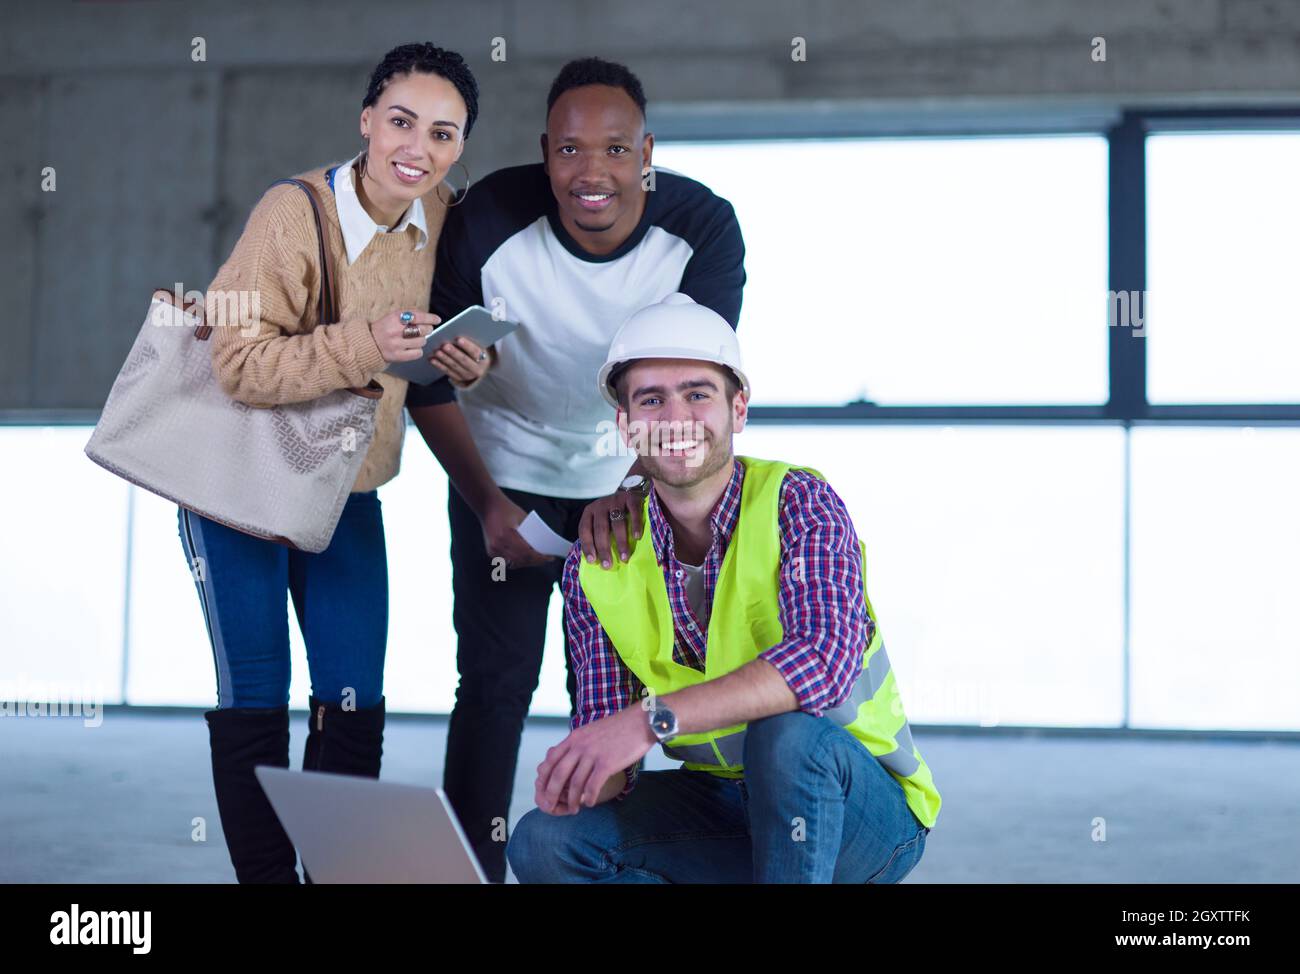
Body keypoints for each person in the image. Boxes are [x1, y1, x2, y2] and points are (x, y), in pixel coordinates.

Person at [404, 57, 747, 883]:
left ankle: (597, 858)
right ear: (545, 153)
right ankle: (469, 870)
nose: (591, 173)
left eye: (616, 150)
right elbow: (425, 379)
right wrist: (487, 504)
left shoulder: (702, 229)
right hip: (501, 469)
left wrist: (631, 491)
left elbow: (687, 391)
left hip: (626, 477)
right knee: (492, 682)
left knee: (615, 690)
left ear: (648, 153)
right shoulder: (488, 218)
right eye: (568, 151)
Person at [177, 43, 489, 883]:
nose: (416, 148)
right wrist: (367, 344)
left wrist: (460, 359)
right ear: (365, 121)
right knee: (256, 699)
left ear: (459, 147)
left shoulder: (447, 219)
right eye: (399, 121)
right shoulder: (293, 213)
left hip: (347, 491)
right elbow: (236, 363)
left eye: (442, 133)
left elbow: (418, 357)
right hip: (237, 490)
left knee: (355, 704)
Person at [506, 294, 942, 883]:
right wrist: (580, 773)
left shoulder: (799, 504)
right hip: (723, 808)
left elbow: (822, 664)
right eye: (652, 400)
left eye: (697, 394)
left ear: (738, 409)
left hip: (856, 812)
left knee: (788, 738)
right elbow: (611, 755)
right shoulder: (598, 568)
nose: (676, 418)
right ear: (625, 425)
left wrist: (645, 723)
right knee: (544, 842)